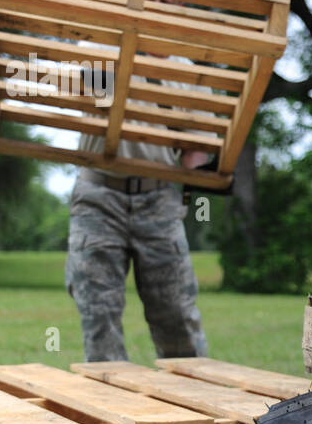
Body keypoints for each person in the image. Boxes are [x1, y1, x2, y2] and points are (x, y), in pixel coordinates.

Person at [64, 40, 210, 361]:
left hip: (159, 198)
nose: (157, 2)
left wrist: (194, 172)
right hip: (99, 194)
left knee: (176, 312)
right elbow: (94, 102)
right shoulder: (99, 50)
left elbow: (197, 152)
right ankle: (108, 401)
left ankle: (189, 395)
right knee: (98, 311)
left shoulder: (190, 73)